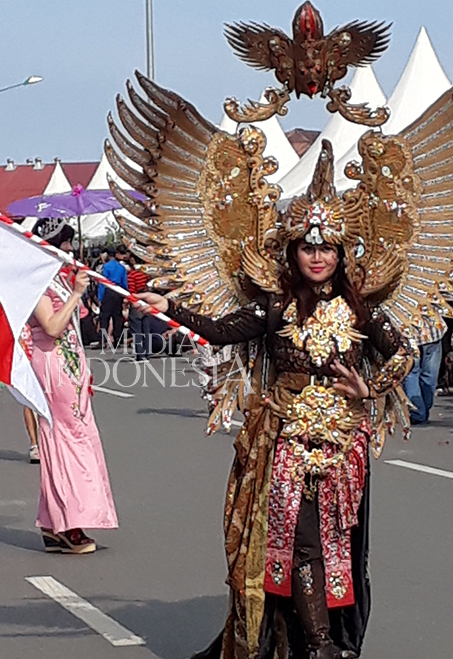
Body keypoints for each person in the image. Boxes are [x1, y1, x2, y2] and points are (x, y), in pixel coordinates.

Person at [139, 205, 413, 659]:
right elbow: (220, 332)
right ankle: (320, 645)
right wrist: (170, 307)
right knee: (302, 541)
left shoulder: (359, 309)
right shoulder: (276, 306)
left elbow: (404, 351)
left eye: (327, 248)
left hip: (343, 445)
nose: (318, 257)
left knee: (335, 542)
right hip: (285, 439)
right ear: (293, 253)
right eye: (308, 248)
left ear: (341, 254)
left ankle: (324, 639)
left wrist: (371, 387)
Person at [28, 256, 117, 554]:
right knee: (67, 440)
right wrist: (77, 293)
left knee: (79, 436)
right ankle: (68, 521)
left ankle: (52, 522)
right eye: (61, 246)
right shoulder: (35, 281)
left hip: (69, 364)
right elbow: (52, 327)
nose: (66, 252)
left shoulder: (57, 279)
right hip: (52, 364)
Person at [402, 316, 445, 425]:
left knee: (411, 373)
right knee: (429, 375)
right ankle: (424, 408)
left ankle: (418, 412)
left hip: (409, 334)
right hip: (432, 332)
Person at [97, 246, 128, 348]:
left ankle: (102, 340)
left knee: (104, 317)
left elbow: (103, 282)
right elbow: (124, 283)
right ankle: (118, 339)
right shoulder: (121, 268)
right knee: (117, 317)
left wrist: (100, 297)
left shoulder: (106, 267)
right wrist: (125, 295)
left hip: (108, 291)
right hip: (118, 291)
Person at [126, 260, 152, 361]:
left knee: (136, 330)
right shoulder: (146, 274)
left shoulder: (132, 275)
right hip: (146, 301)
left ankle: (140, 353)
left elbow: (131, 290)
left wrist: (131, 301)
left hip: (136, 301)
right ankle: (147, 352)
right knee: (146, 329)